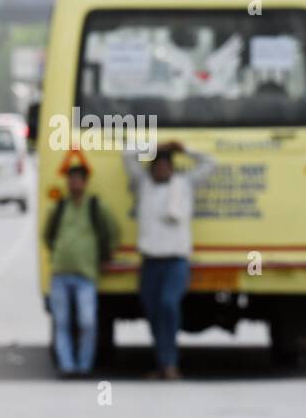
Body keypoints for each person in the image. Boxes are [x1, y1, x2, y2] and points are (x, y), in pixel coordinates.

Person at [124, 141, 217, 380]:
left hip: (176, 260)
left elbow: (211, 163)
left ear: (173, 168)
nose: (162, 169)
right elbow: (127, 155)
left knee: (168, 306)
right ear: (153, 168)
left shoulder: (183, 184)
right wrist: (154, 146)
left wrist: (185, 149)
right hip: (151, 261)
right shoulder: (143, 185)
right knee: (153, 312)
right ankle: (163, 363)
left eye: (167, 165)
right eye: (158, 165)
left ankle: (171, 362)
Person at [42, 163, 118, 376]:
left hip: (86, 274)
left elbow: (112, 231)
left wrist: (106, 255)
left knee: (87, 322)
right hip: (60, 274)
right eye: (71, 179)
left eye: (77, 179)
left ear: (85, 183)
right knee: (62, 323)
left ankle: (84, 366)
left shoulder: (95, 207)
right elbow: (48, 236)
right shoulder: (58, 208)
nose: (74, 183)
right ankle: (67, 366)